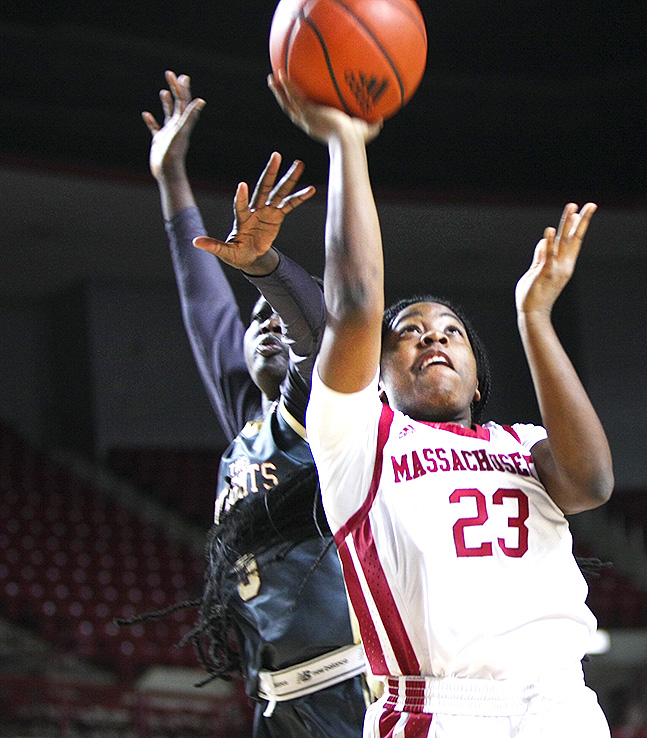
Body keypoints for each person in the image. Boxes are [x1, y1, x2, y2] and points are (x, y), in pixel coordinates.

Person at [269, 71, 615, 738]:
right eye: (410, 332)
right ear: (377, 375)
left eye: (452, 331)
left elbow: (593, 482)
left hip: (563, 707)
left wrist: (534, 317)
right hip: (441, 710)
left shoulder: (522, 445)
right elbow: (357, 303)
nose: (433, 337)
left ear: (478, 381)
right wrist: (347, 143)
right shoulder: (358, 440)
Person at [141, 70, 368, 738]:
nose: (266, 319)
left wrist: (266, 269)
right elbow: (204, 304)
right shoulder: (250, 422)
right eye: (256, 313)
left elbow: (318, 331)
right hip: (276, 702)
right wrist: (171, 179)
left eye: (280, 313)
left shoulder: (325, 414)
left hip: (353, 685)